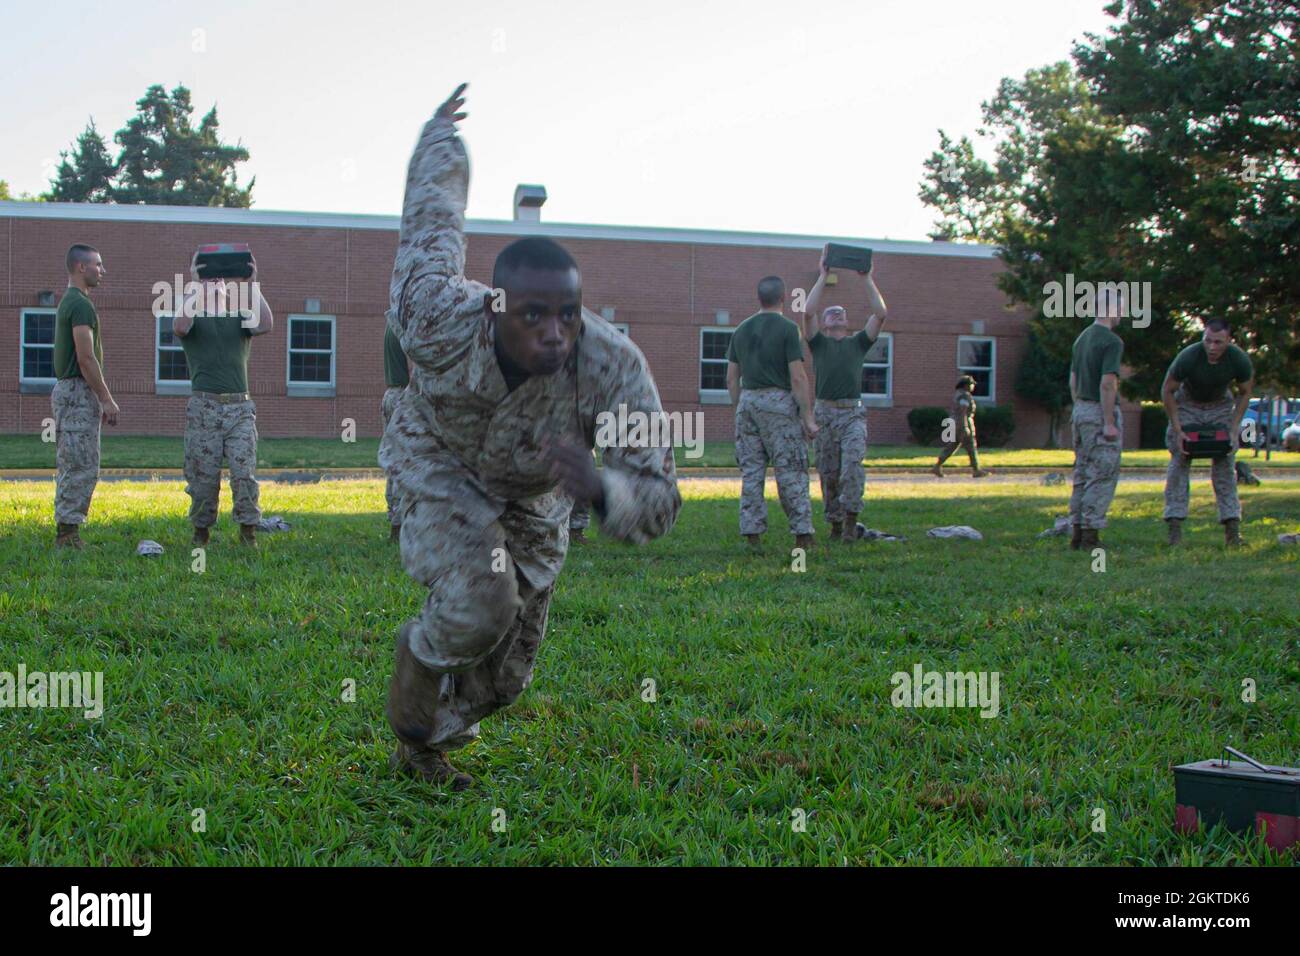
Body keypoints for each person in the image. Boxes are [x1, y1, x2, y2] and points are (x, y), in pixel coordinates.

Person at [380, 84, 680, 790]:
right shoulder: (437, 312)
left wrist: (607, 489)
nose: (555, 333)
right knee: (484, 598)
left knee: (507, 676)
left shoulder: (612, 366)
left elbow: (660, 495)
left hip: (534, 498)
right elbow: (432, 224)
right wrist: (439, 138)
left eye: (569, 315)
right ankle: (417, 673)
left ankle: (427, 741)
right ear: (496, 309)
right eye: (535, 315)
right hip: (437, 460)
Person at [173, 251, 274, 547]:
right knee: (203, 478)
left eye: (220, 279)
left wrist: (252, 282)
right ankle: (201, 532)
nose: (216, 282)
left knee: (244, 474)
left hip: (239, 409)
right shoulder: (193, 320)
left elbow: (266, 324)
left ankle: (248, 531)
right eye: (210, 278)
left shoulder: (239, 319)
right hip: (204, 408)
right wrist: (195, 285)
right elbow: (179, 326)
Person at [801, 246, 888, 542]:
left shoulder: (858, 344)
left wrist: (867, 279)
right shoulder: (818, 344)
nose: (836, 313)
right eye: (832, 313)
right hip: (825, 412)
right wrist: (823, 275)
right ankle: (835, 524)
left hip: (853, 413)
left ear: (847, 321)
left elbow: (880, 313)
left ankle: (852, 520)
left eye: (841, 312)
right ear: (825, 324)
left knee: (852, 466)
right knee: (828, 473)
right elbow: (808, 311)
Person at [727, 275, 818, 550]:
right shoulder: (789, 329)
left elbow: (732, 379)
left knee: (752, 471)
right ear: (783, 297)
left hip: (748, 402)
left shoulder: (740, 330)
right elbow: (798, 377)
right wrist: (807, 416)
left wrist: (740, 409)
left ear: (759, 298)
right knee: (791, 468)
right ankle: (802, 534)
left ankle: (752, 534)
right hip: (778, 404)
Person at [1161, 318, 1254, 547]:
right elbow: (1167, 390)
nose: (1212, 348)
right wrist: (1177, 428)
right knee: (1179, 459)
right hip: (1188, 404)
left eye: (1218, 343)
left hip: (1220, 406)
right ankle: (1175, 530)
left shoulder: (1239, 359)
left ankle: (1232, 531)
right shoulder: (1189, 356)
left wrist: (1233, 428)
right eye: (1208, 341)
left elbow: (1245, 393)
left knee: (1225, 462)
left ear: (1228, 341)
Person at [51, 244, 118, 549]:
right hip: (78, 391)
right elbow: (86, 358)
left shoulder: (72, 301)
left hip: (72, 391)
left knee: (73, 460)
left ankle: (68, 530)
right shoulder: (80, 304)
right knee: (80, 463)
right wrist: (105, 397)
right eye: (98, 264)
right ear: (81, 267)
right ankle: (67, 535)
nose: (102, 270)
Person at [1066, 288, 1125, 549]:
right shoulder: (1112, 342)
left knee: (1081, 472)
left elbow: (1073, 380)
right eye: (1121, 308)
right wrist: (1109, 421)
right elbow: (1108, 383)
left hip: (1080, 409)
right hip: (1098, 411)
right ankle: (1091, 534)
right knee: (1102, 473)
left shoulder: (1081, 339)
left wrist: (1079, 408)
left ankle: (1076, 532)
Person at [381, 324, 411, 541]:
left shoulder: (393, 320)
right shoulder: (408, 322)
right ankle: (400, 525)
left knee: (394, 460)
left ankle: (395, 519)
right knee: (406, 461)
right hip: (404, 397)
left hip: (392, 394)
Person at [931, 376, 991, 478]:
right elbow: (963, 411)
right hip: (961, 423)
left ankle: (937, 466)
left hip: (952, 422)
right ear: (966, 385)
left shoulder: (957, 395)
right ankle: (976, 470)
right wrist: (965, 427)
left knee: (951, 446)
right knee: (971, 446)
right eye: (972, 384)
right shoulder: (964, 396)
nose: (973, 387)